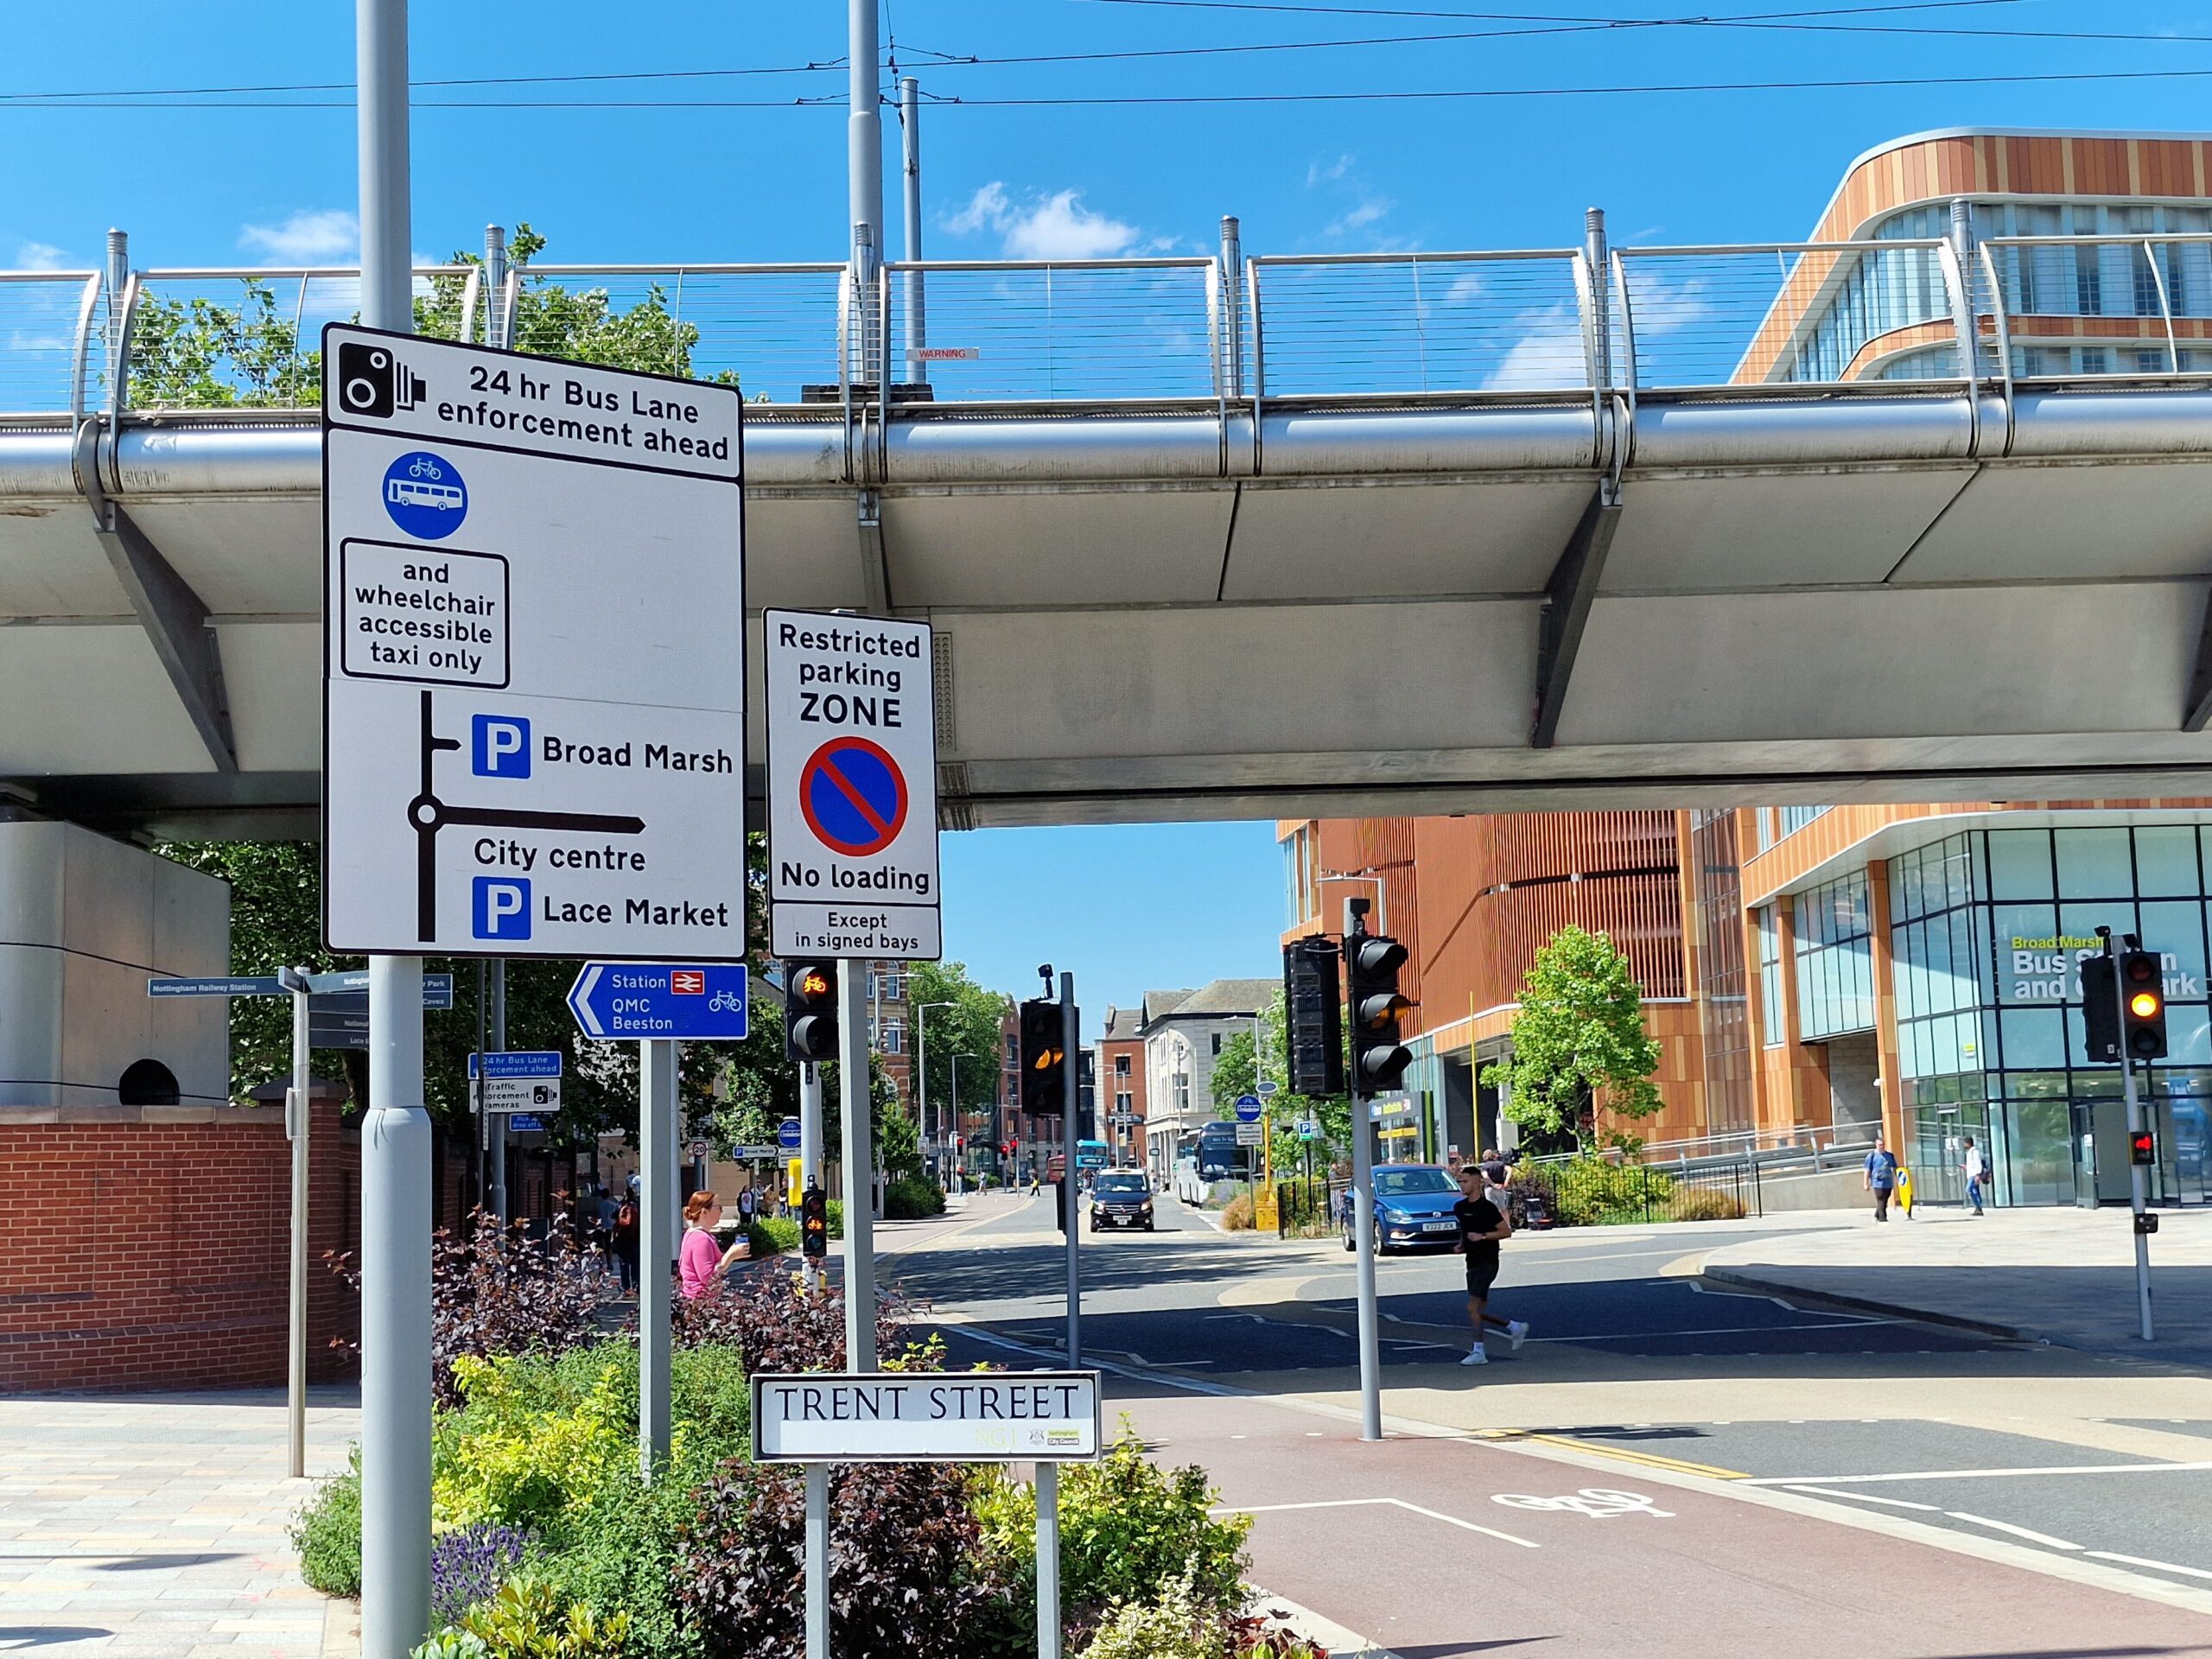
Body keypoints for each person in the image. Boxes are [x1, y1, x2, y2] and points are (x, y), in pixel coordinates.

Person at [1452, 1164, 1529, 1365]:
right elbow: (1465, 1229)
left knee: (1472, 1307)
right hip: (1472, 1262)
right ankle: (1514, 1327)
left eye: (1465, 1180)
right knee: (1478, 1310)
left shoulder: (1487, 1208)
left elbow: (1506, 1232)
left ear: (1477, 1182)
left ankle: (1479, 1352)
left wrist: (1483, 1236)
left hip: (1488, 1261)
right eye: (1460, 1180)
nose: (1462, 1184)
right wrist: (1462, 1244)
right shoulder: (1460, 1208)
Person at [678, 1190, 750, 1300]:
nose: (721, 1211)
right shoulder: (701, 1239)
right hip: (701, 1302)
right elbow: (708, 1279)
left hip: (697, 1300)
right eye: (718, 1207)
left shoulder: (692, 1234)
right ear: (704, 1212)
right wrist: (730, 1256)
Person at [613, 1180, 640, 1294]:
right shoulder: (638, 1204)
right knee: (635, 1263)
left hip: (622, 1239)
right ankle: (636, 1284)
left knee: (624, 1264)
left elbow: (613, 1215)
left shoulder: (620, 1204)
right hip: (635, 1238)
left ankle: (626, 1287)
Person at [1864, 1133, 1899, 1222]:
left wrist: (1898, 1179)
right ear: (1876, 1145)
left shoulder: (1889, 1156)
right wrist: (1866, 1183)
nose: (1881, 1146)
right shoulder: (1871, 1156)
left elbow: (1895, 1168)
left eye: (1883, 1145)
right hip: (1877, 1182)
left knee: (1885, 1200)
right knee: (1880, 1199)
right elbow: (1867, 1170)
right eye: (1880, 1145)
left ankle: (1876, 1216)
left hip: (1888, 1182)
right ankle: (1883, 1218)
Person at [1961, 1136, 1986, 1216]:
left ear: (1968, 1143)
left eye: (1965, 1143)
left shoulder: (1974, 1152)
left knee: (1968, 1190)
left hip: (1974, 1175)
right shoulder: (1970, 1152)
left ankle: (1978, 1206)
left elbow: (1978, 1164)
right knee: (1975, 1191)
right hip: (1971, 1174)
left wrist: (1978, 1175)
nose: (1964, 1145)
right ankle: (1978, 1209)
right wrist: (1966, 1167)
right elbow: (1972, 1164)